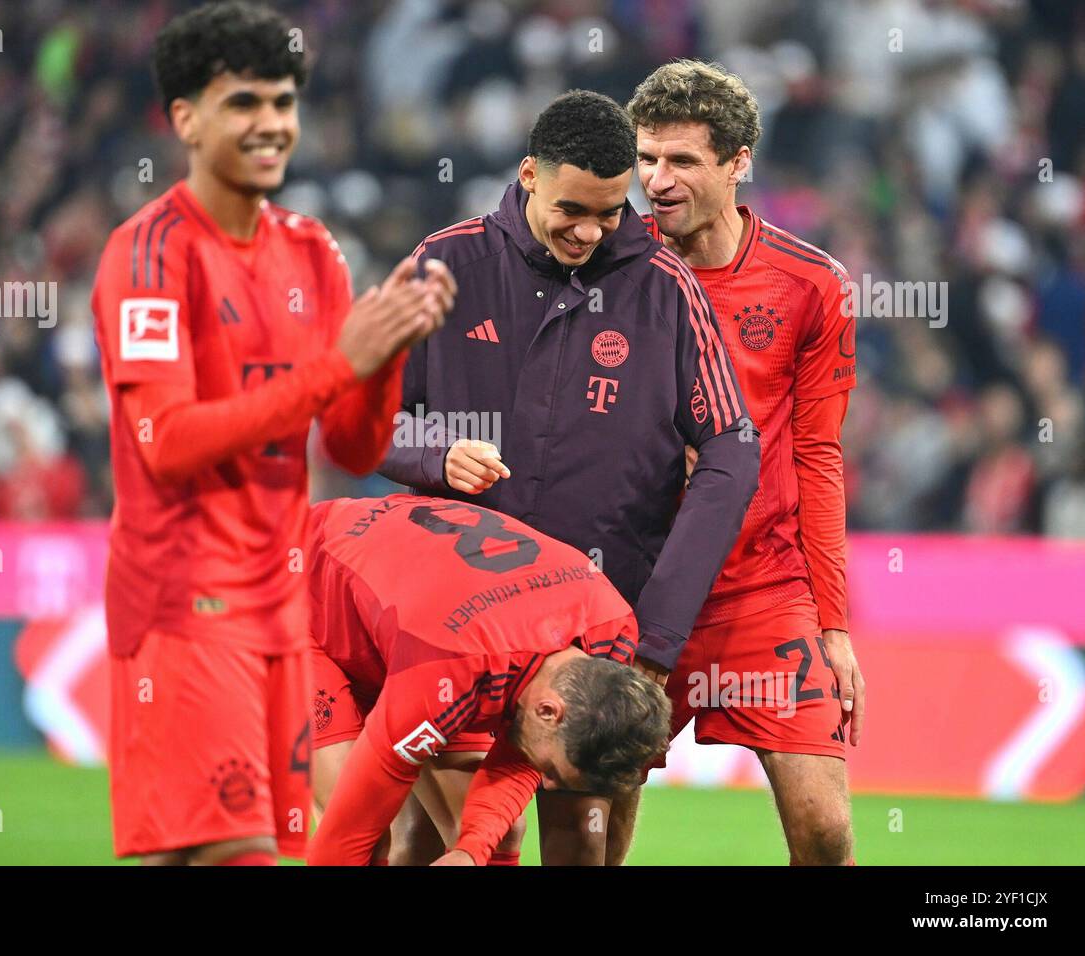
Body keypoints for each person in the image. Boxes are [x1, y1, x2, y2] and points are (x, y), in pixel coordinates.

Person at [91, 1, 454, 865]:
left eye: (284, 103)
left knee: (221, 851)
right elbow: (167, 442)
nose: (272, 125)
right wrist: (340, 364)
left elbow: (352, 448)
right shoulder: (149, 255)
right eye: (245, 103)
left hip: (278, 605)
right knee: (237, 852)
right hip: (182, 600)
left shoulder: (313, 250)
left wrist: (386, 355)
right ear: (185, 118)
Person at [378, 90, 759, 865]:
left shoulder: (663, 286)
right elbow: (355, 420)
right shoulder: (445, 263)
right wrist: (432, 454)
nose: (590, 230)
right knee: (439, 837)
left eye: (612, 211)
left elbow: (731, 449)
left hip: (599, 636)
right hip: (460, 626)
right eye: (572, 209)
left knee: (580, 843)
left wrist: (657, 633)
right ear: (528, 175)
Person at [625, 59, 864, 865]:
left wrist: (833, 623)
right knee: (589, 834)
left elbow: (819, 455)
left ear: (737, 163)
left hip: (761, 590)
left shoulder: (810, 284)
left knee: (826, 832)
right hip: (631, 590)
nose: (656, 180)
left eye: (682, 161)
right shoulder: (608, 271)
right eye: (647, 158)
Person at [304, 494, 670, 866]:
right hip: (297, 596)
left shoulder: (612, 632)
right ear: (549, 711)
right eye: (552, 772)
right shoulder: (451, 669)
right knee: (365, 841)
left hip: (414, 628)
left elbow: (517, 758)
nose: (549, 786)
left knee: (494, 839)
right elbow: (343, 840)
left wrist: (469, 851)